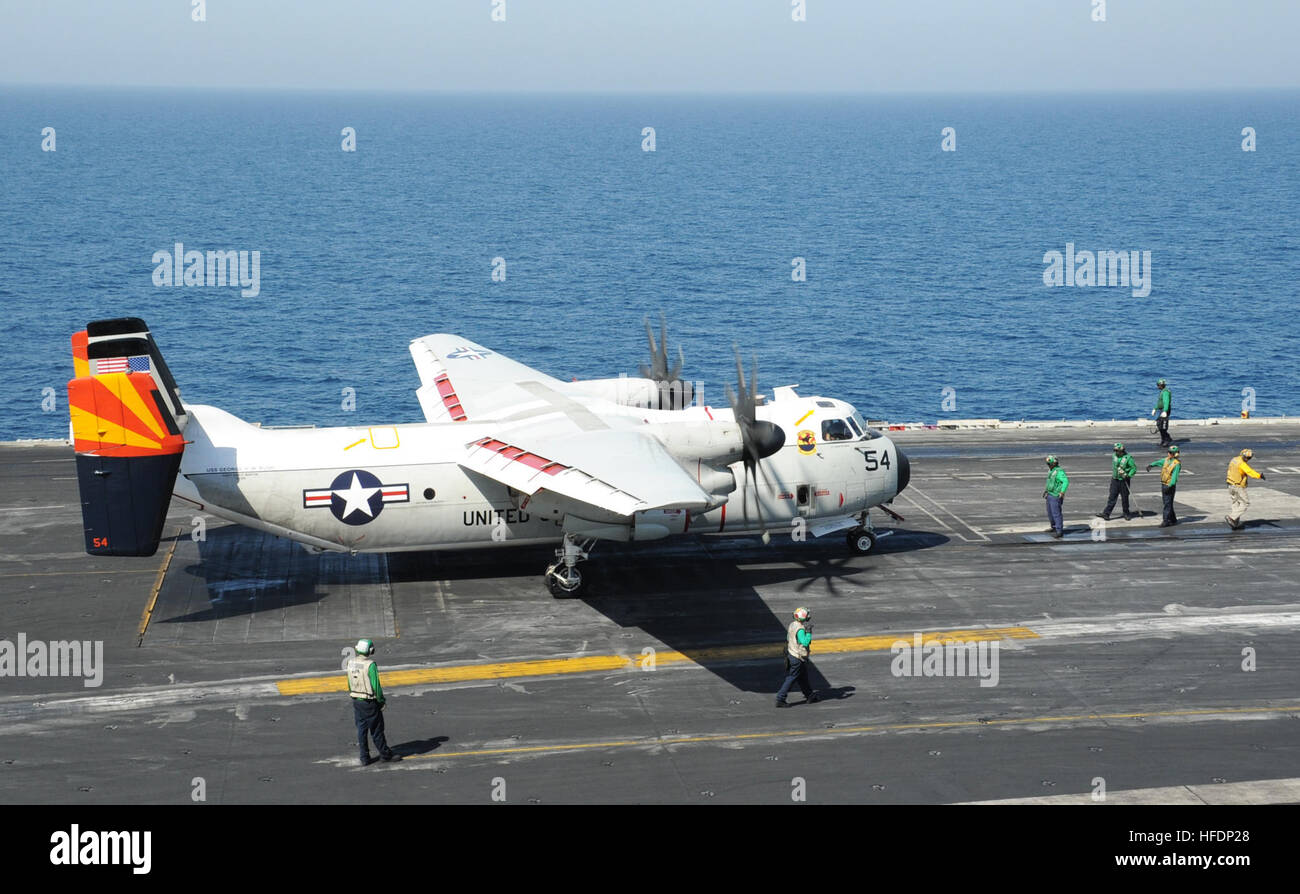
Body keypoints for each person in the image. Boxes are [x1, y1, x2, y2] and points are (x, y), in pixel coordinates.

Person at [346, 638, 400, 766]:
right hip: (369, 703)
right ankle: (385, 755)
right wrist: (381, 701)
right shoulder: (370, 665)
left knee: (361, 729)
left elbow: (349, 683)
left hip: (356, 701)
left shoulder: (350, 662)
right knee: (376, 729)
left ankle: (364, 757)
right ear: (370, 650)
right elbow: (376, 686)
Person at [776, 607, 819, 707]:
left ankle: (809, 695)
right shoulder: (800, 629)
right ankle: (780, 699)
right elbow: (805, 642)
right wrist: (808, 632)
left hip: (792, 654)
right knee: (792, 678)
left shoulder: (792, 624)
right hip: (797, 657)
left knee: (803, 677)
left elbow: (788, 638)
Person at [1226, 448, 1264, 530]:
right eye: (1247, 457)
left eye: (1249, 458)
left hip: (1230, 484)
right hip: (1238, 486)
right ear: (1243, 456)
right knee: (1245, 503)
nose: (1247, 459)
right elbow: (1250, 472)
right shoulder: (1242, 464)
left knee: (1235, 503)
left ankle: (1235, 523)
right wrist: (1259, 475)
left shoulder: (1234, 459)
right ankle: (1231, 517)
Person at [1098, 442, 1137, 520]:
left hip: (1124, 480)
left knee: (1125, 498)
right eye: (1115, 450)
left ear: (1121, 450)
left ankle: (1126, 513)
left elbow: (1134, 468)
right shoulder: (1114, 456)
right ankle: (1106, 513)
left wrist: (1128, 475)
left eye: (1117, 451)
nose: (1116, 452)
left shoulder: (1128, 458)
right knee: (1112, 497)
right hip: (1115, 480)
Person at [1146, 445, 1182, 527]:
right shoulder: (1166, 460)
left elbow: (1174, 477)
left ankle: (1166, 521)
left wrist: (1170, 486)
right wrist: (1151, 465)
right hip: (1164, 484)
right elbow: (1159, 462)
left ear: (1174, 454)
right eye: (1168, 452)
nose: (1168, 453)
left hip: (1169, 486)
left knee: (1167, 504)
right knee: (1168, 503)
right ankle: (1173, 519)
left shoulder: (1176, 464)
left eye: (1170, 452)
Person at [1043, 455, 1068, 538]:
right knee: (1050, 513)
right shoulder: (1051, 470)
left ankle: (1059, 530)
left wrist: (1062, 492)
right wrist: (1046, 491)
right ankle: (1053, 527)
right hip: (1050, 494)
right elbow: (1050, 482)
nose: (1048, 465)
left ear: (1054, 463)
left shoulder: (1059, 472)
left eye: (1049, 464)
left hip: (1056, 495)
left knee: (1056, 513)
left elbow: (1065, 481)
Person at [1151, 379, 1173, 447]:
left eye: (1158, 385)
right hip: (1161, 410)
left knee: (1163, 426)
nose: (1157, 387)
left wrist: (1165, 411)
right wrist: (1155, 408)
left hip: (1164, 411)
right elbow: (1160, 403)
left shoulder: (1165, 392)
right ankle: (1164, 439)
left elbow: (1166, 402)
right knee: (1159, 425)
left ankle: (1167, 440)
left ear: (1161, 385)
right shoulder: (1162, 392)